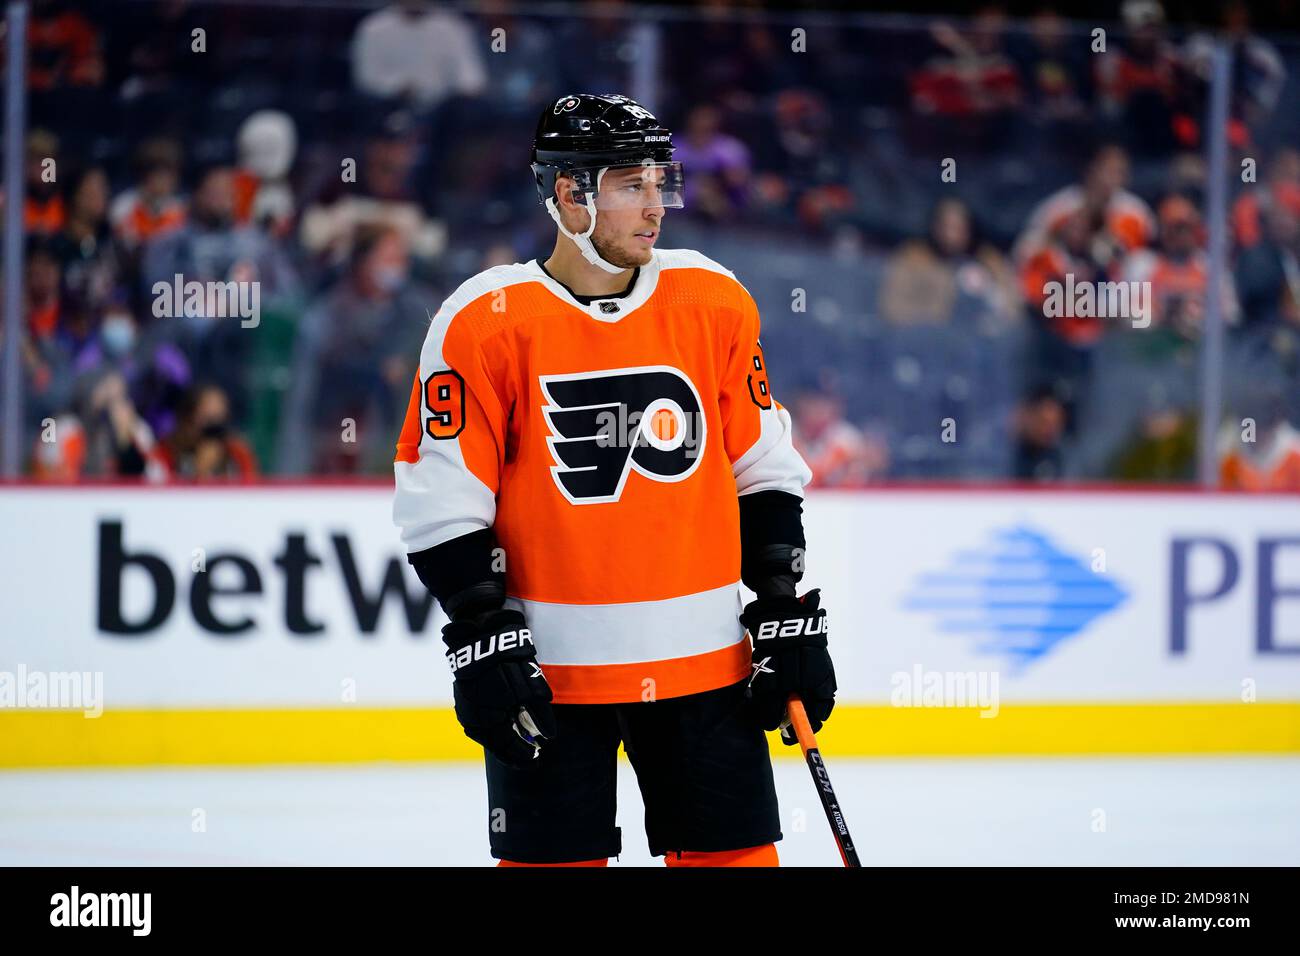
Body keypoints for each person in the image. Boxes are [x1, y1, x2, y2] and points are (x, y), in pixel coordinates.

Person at [392, 93, 836, 867]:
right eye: (632, 184)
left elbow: (761, 467)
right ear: (570, 194)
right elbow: (443, 504)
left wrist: (780, 603)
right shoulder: (484, 322)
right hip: (551, 681)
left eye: (662, 181)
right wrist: (478, 634)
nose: (657, 205)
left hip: (706, 671)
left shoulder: (712, 299)